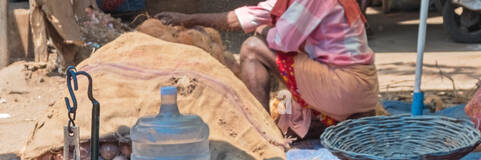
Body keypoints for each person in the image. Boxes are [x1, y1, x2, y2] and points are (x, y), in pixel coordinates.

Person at [158, 0, 381, 138]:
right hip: (358, 90)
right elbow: (242, 17)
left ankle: (261, 132)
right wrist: (188, 19)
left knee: (253, 49)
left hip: (344, 85)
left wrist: (263, 31)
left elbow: (282, 41)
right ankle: (329, 124)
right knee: (286, 103)